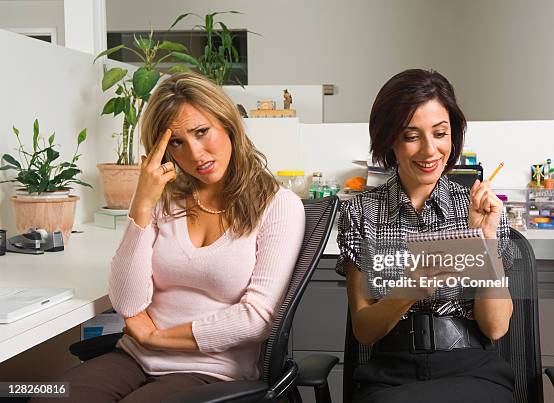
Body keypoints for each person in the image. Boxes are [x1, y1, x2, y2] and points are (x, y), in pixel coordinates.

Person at [33, 72, 305, 403]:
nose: (195, 153)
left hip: (212, 370)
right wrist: (143, 203)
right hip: (134, 357)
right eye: (176, 142)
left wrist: (156, 338)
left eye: (202, 132)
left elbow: (256, 320)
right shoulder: (163, 200)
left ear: (228, 124)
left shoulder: (278, 206)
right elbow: (128, 302)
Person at [336, 69, 515, 402]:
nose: (430, 150)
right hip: (393, 374)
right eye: (411, 135)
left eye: (440, 133)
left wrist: (486, 241)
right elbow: (364, 330)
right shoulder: (360, 213)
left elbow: (495, 327)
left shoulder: (477, 208)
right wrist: (409, 288)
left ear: (453, 135)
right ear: (390, 138)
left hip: (471, 368)